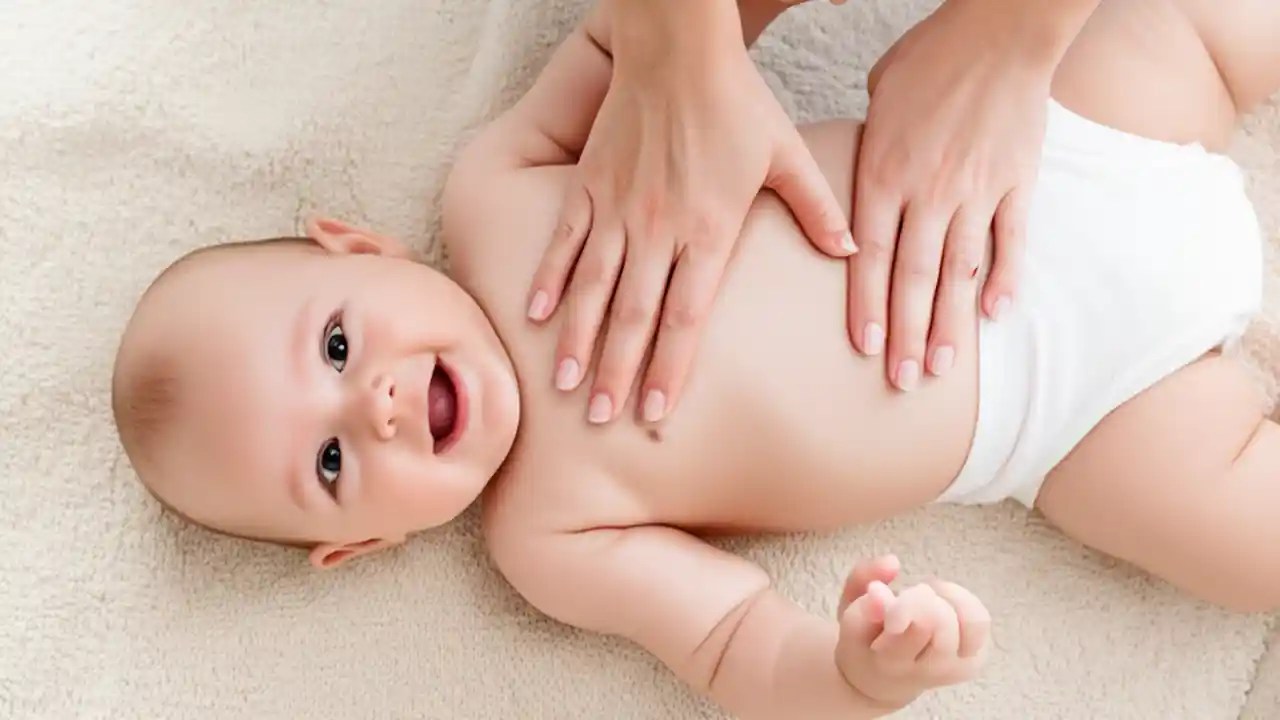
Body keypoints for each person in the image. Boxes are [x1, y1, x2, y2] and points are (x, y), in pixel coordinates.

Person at [110, 0, 1280, 717]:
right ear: (362, 542)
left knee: (1199, 25)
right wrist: (858, 673)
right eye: (326, 462)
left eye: (333, 342)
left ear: (360, 246)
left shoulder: (496, 186)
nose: (370, 406)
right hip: (1079, 416)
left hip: (1056, 128)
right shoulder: (548, 536)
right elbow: (735, 648)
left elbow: (638, 33)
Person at [527, 0, 1104, 421]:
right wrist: (670, 43)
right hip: (1029, 410)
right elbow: (736, 596)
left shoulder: (480, 199)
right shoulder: (533, 524)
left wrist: (1012, 36)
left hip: (1071, 69)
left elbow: (597, 47)